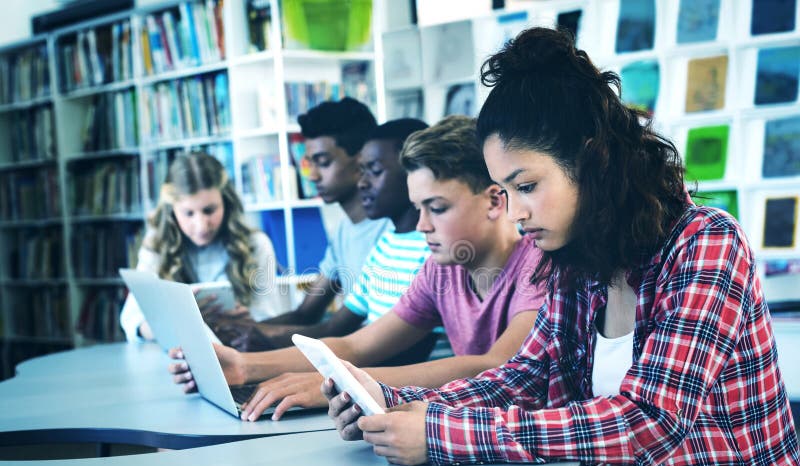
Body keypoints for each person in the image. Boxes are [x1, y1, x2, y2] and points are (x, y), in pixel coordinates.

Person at [323, 27, 800, 466]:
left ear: (593, 159)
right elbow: (521, 378)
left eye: (526, 186)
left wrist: (439, 433)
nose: (514, 212)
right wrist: (389, 403)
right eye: (504, 191)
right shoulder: (574, 262)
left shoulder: (707, 244)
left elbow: (647, 421)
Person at [231, 116, 547, 421]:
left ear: (494, 202)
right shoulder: (441, 270)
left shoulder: (537, 264)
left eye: (437, 208)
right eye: (418, 208)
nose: (423, 225)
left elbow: (496, 367)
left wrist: (349, 383)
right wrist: (243, 365)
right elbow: (356, 344)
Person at [169, 119, 439, 395]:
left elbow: (370, 345)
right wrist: (247, 349)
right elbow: (346, 336)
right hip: (370, 383)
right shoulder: (383, 243)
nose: (363, 182)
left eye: (373, 170)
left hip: (400, 390)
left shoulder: (431, 252)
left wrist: (261, 354)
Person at [215, 97, 391, 350]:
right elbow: (306, 314)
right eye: (310, 164)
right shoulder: (343, 231)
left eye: (323, 162)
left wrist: (264, 339)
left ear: (361, 160)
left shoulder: (390, 229)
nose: (313, 176)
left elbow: (351, 331)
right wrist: (239, 330)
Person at [119, 151, 282, 342]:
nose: (202, 225)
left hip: (243, 353)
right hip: (178, 359)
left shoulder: (256, 245)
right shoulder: (157, 246)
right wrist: (182, 322)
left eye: (209, 210)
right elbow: (132, 322)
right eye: (189, 213)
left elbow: (271, 318)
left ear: (226, 203)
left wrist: (246, 321)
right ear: (172, 212)